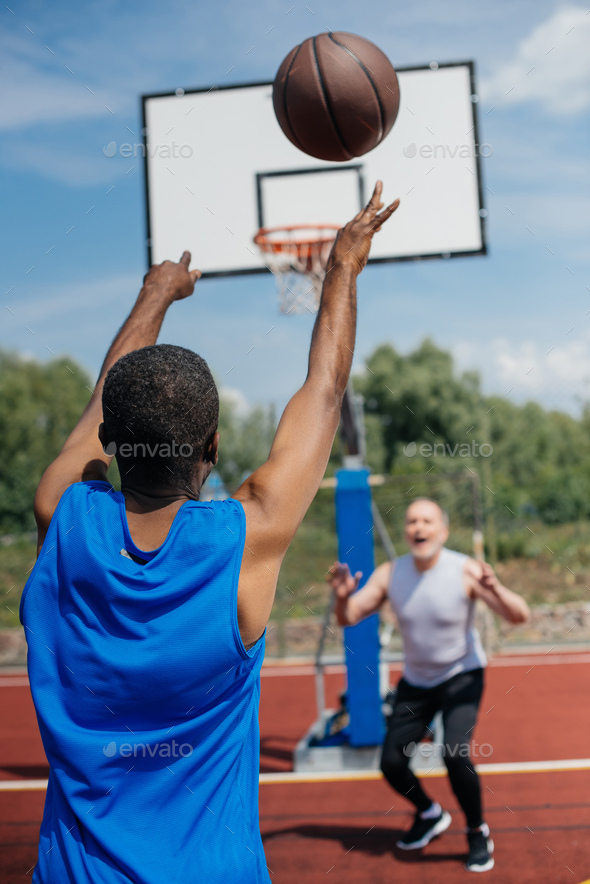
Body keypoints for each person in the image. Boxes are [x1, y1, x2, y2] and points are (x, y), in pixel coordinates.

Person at [20, 182, 400, 884]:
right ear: (214, 449)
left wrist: (156, 294)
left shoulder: (62, 511)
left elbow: (108, 395)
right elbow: (325, 387)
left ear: (106, 442)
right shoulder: (243, 539)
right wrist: (342, 266)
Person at [329, 497, 529, 873]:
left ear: (443, 530)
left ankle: (477, 830)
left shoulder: (465, 570)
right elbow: (350, 616)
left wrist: (497, 588)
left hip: (461, 676)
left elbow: (519, 616)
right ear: (406, 531)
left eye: (427, 521)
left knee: (454, 752)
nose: (418, 527)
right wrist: (341, 599)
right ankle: (429, 811)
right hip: (417, 682)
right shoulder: (391, 574)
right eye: (411, 521)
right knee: (390, 763)